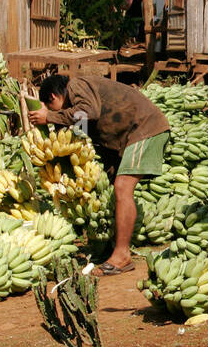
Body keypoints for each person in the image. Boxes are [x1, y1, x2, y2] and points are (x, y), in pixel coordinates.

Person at [30, 74, 169, 276]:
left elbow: (88, 113)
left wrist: (49, 117)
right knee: (113, 187)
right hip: (129, 137)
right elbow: (88, 127)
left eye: (53, 108)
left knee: (123, 187)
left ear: (53, 96)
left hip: (145, 128)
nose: (57, 113)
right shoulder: (78, 96)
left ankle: (122, 256)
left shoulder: (76, 84)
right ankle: (112, 248)